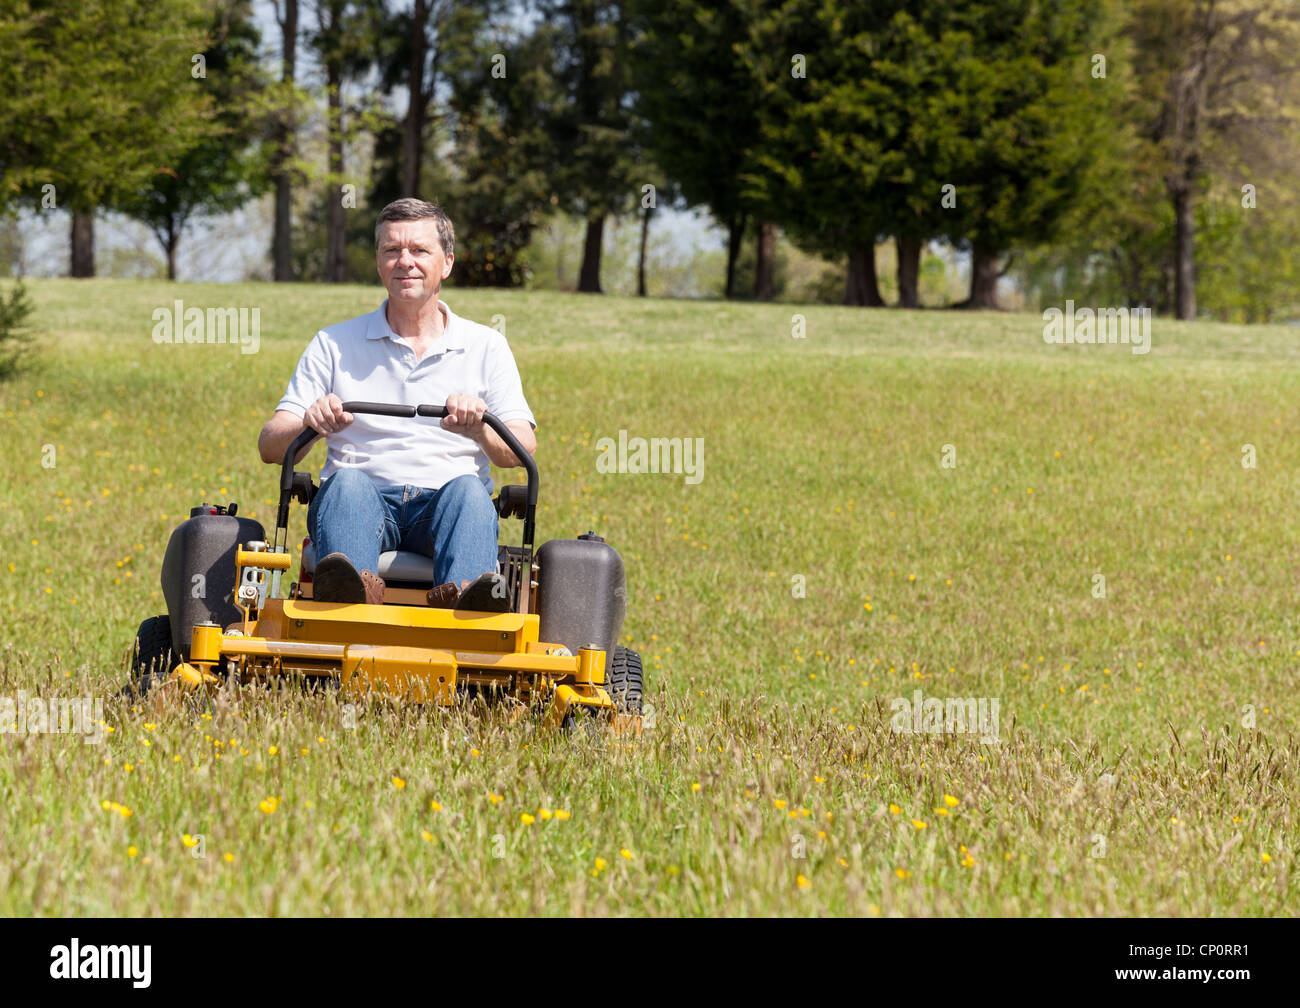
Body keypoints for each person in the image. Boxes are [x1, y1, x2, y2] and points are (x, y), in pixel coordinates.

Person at [256, 197, 538, 610]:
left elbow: (523, 448)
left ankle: (465, 603)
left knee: (467, 492)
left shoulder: (486, 346)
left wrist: (479, 427)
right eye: (392, 250)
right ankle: (352, 592)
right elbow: (269, 445)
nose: (405, 261)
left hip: (447, 504)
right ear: (378, 262)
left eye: (419, 250)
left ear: (447, 263)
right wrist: (311, 426)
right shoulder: (333, 343)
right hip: (362, 503)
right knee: (347, 483)